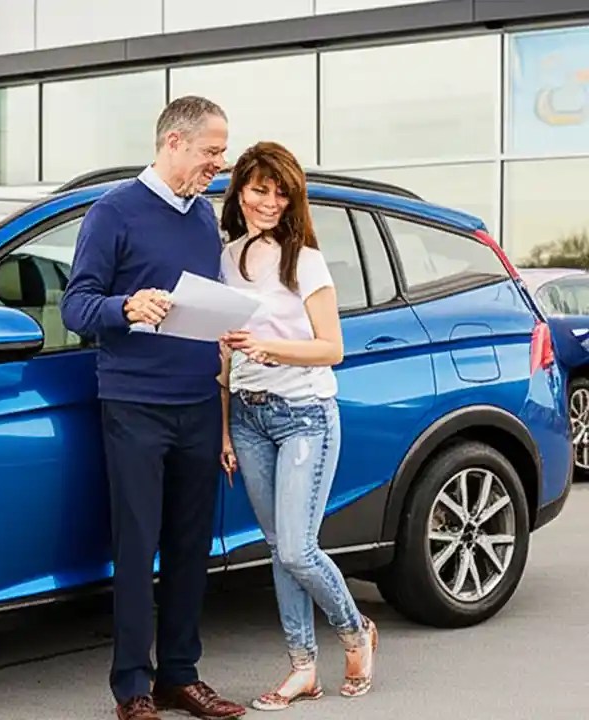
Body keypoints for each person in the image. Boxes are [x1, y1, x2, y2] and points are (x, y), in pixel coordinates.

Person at [60, 96, 247, 720]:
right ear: (173, 143)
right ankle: (133, 690)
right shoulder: (112, 212)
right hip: (134, 405)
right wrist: (125, 308)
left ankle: (180, 677)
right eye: (210, 152)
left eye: (220, 153)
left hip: (197, 401)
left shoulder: (202, 219)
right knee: (137, 549)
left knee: (192, 546)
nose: (218, 165)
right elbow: (76, 307)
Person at [215, 141, 378, 711]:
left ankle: (356, 631)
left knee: (298, 550)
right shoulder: (227, 258)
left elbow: (331, 347)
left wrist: (270, 348)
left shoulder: (304, 259)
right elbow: (223, 357)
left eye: (282, 192)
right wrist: (226, 431)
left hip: (305, 415)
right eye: (260, 189)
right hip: (250, 417)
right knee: (278, 545)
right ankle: (303, 668)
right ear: (240, 190)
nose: (270, 201)